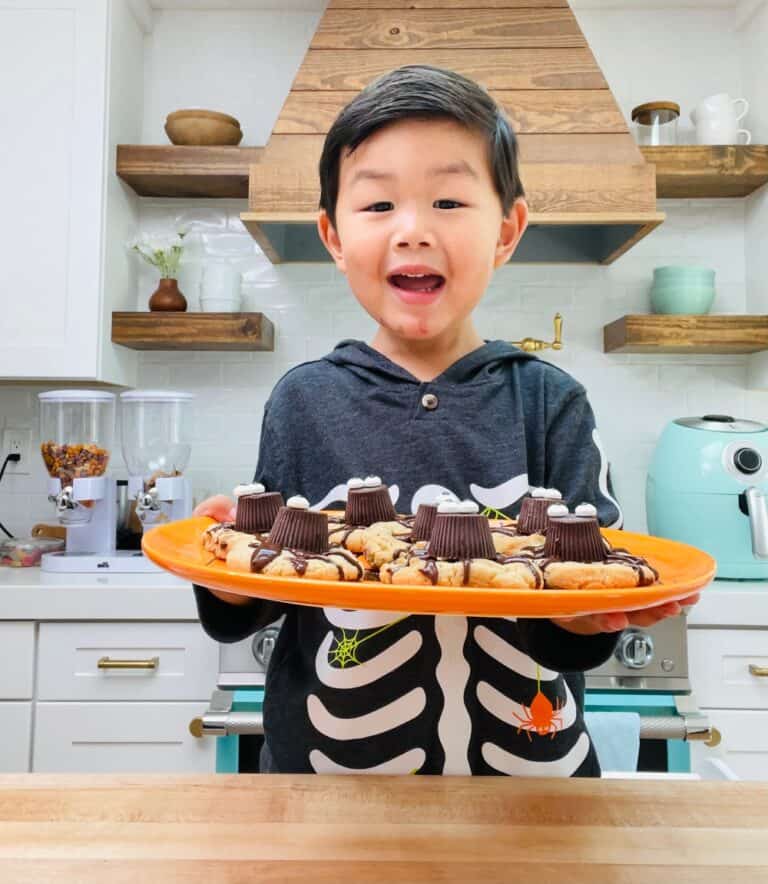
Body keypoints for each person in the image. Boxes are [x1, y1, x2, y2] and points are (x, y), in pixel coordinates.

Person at [193, 65, 698, 776]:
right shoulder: (303, 400)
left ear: (507, 230)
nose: (413, 231)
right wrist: (227, 584)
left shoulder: (551, 402)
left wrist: (584, 620)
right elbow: (267, 591)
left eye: (449, 201)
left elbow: (588, 599)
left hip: (531, 795)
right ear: (332, 235)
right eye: (378, 205)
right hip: (321, 797)